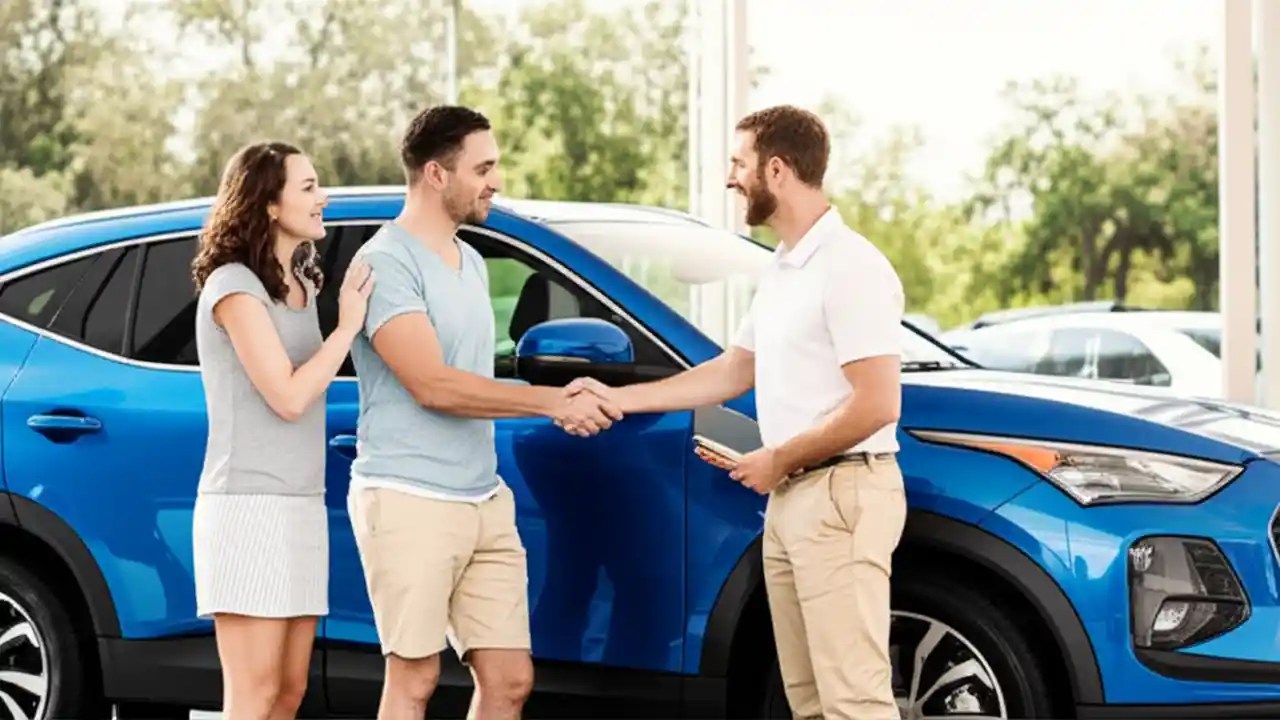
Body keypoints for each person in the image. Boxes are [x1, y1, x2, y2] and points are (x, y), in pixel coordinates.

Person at [569, 105, 907, 720]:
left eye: (738, 163)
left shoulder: (850, 266)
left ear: (776, 170)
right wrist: (620, 398)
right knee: (809, 702)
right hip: (793, 497)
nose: (730, 178)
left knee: (854, 701)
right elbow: (732, 371)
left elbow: (878, 403)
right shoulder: (784, 266)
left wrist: (779, 457)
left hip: (840, 496)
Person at [345, 105, 621, 720]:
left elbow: (477, 377)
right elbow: (433, 385)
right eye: (483, 168)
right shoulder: (385, 264)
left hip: (482, 497)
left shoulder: (468, 260)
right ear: (436, 174)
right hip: (410, 497)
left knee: (510, 680)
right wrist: (552, 402)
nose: (495, 181)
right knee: (414, 680)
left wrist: (566, 391)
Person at [190, 141, 374, 719]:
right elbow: (290, 397)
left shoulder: (301, 284)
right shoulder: (233, 286)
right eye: (309, 187)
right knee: (254, 695)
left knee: (290, 690)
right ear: (269, 204)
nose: (324, 198)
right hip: (248, 506)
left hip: (301, 503)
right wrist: (347, 328)